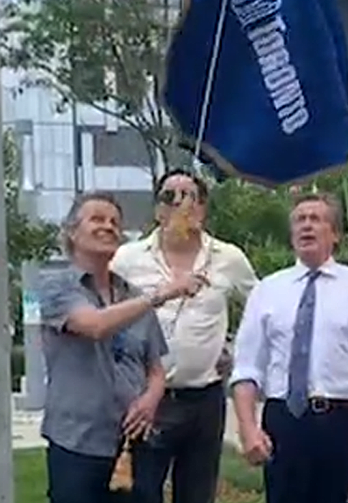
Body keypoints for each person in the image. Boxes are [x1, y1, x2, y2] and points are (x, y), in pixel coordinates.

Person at [230, 192, 348, 503]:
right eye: (300, 220)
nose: (306, 226)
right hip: (285, 422)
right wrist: (248, 428)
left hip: (341, 421)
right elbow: (247, 367)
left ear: (335, 235)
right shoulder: (268, 289)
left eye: (316, 219)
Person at [36, 192, 199, 503]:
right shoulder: (56, 286)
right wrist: (160, 295)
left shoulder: (132, 295)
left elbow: (155, 369)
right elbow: (95, 325)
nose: (108, 227)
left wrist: (151, 400)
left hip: (136, 444)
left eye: (114, 222)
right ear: (72, 232)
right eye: (97, 219)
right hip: (78, 444)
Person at [110, 169, 260, 503]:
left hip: (204, 400)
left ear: (203, 209)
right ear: (157, 210)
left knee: (197, 495)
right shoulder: (127, 259)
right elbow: (107, 316)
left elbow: (262, 310)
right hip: (147, 399)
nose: (179, 204)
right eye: (169, 197)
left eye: (189, 196)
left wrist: (238, 351)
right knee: (141, 493)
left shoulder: (228, 258)